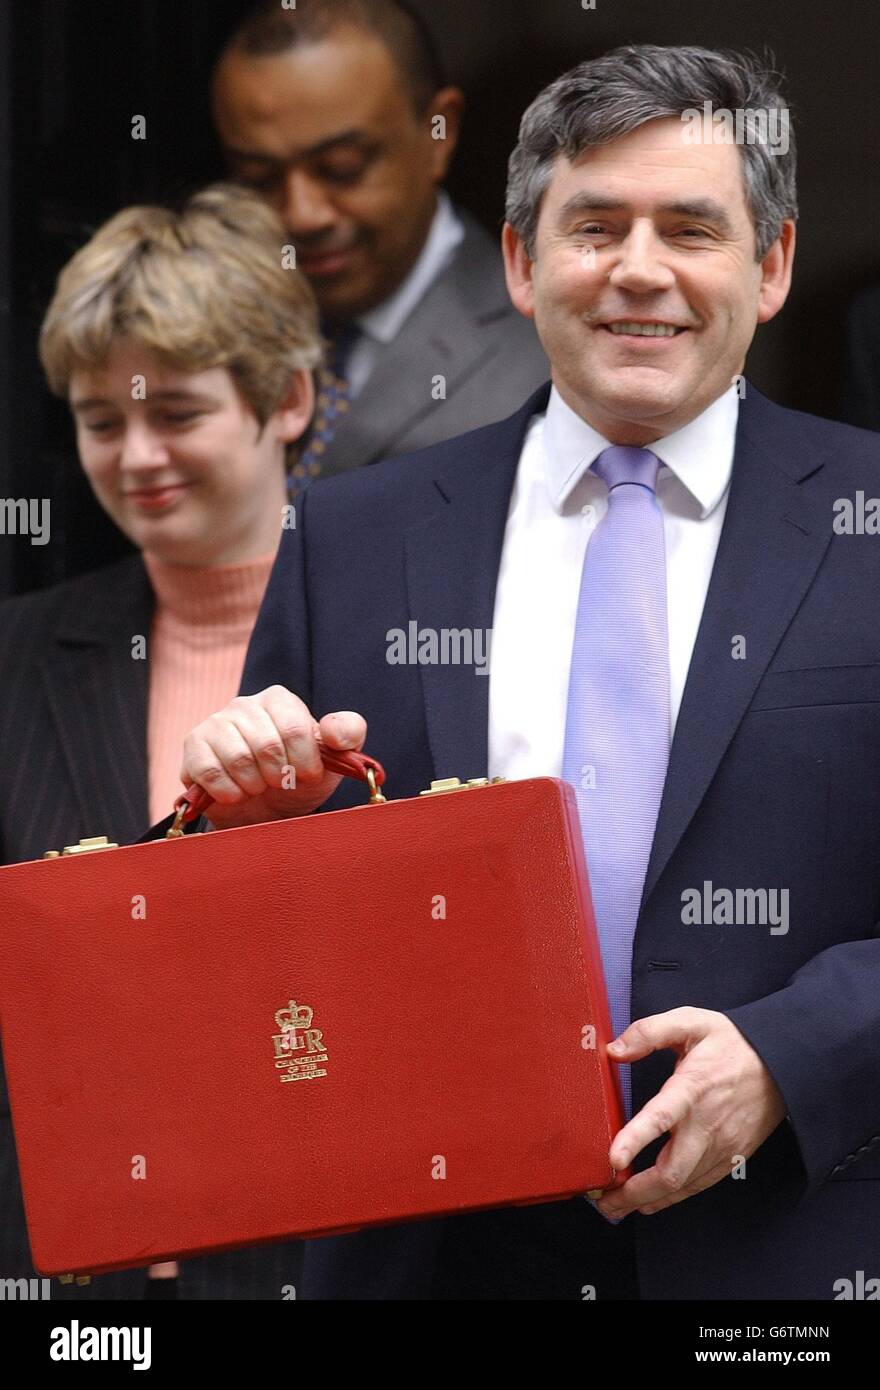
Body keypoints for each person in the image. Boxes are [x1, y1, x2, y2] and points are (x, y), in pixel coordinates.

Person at [181, 43, 880, 1300]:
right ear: (519, 262)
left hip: (785, 1254)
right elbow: (255, 950)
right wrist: (241, 826)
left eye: (691, 228)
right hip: (430, 1257)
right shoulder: (348, 536)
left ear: (770, 267)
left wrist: (791, 1053)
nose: (639, 270)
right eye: (594, 225)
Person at [0, 183, 320, 1299]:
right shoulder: (21, 654)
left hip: (332, 1253)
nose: (135, 455)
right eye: (100, 421)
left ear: (287, 398)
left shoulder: (404, 631)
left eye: (175, 412)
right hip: (81, 1275)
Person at [211, 0, 548, 493]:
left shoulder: (547, 358)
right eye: (258, 179)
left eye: (343, 167)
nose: (303, 214)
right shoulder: (206, 328)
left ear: (440, 132)